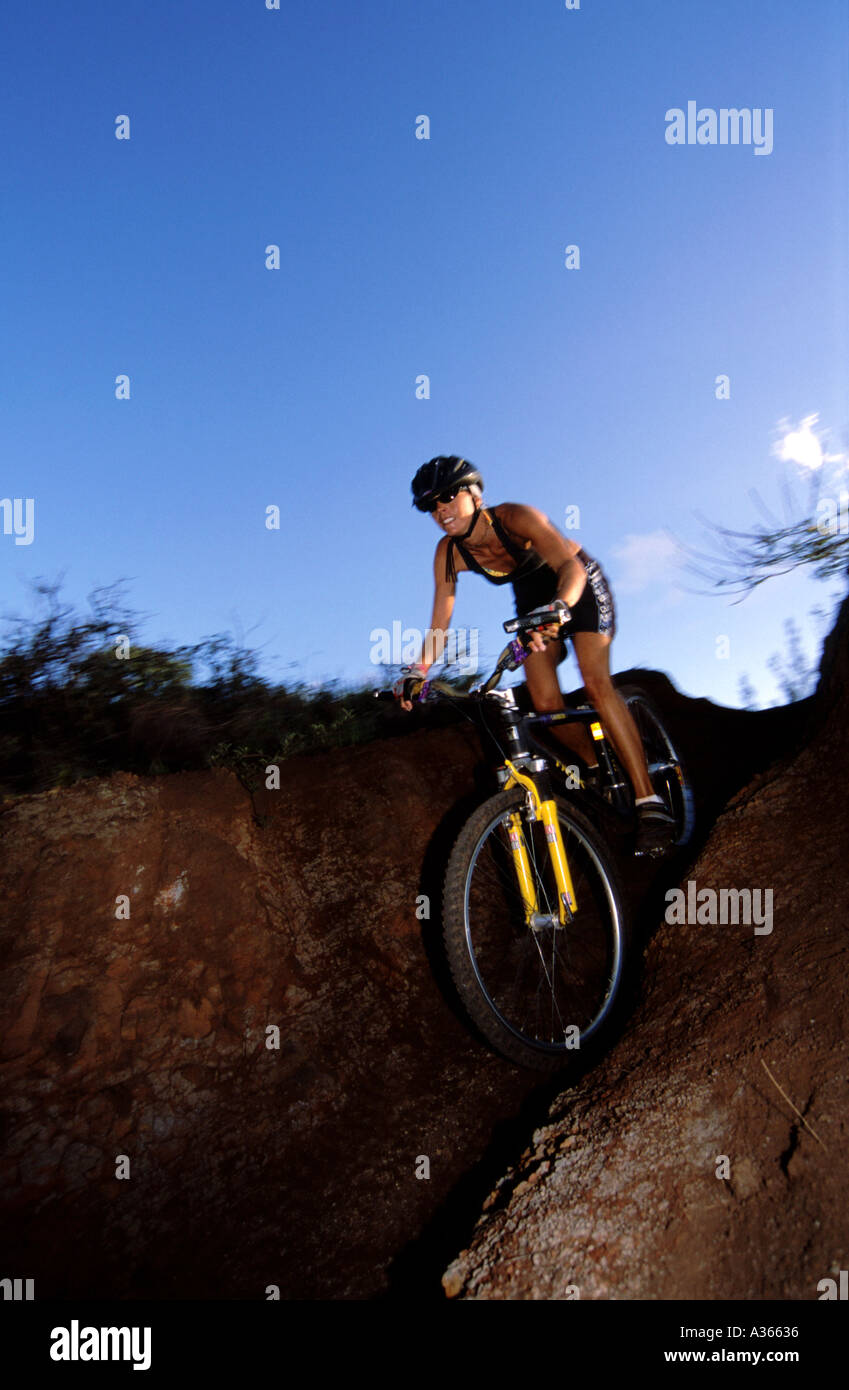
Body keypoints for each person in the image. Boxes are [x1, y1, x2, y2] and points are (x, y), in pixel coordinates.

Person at [397, 455, 675, 855]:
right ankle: (596, 771)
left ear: (475, 495)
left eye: (446, 497)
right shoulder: (449, 552)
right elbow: (440, 621)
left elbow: (569, 566)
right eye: (430, 506)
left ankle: (650, 804)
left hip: (575, 585)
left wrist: (561, 607)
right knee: (544, 703)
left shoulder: (516, 517)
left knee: (595, 683)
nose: (440, 510)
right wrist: (417, 670)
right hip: (530, 601)